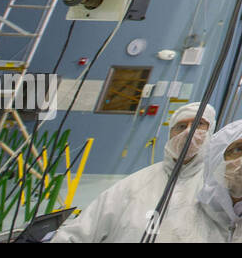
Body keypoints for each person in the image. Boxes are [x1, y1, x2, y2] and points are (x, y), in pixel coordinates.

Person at [53, 102, 216, 243]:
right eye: (181, 126)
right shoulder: (137, 183)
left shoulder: (217, 186)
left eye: (198, 124)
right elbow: (81, 231)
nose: (188, 132)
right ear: (170, 134)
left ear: (211, 132)